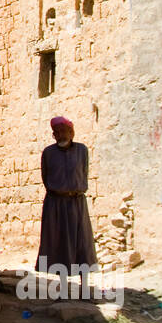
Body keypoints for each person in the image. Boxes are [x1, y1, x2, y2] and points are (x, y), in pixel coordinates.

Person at [36, 116, 98, 274]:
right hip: (55, 204)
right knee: (57, 246)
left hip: (76, 203)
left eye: (64, 132)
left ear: (72, 133)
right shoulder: (48, 153)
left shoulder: (81, 150)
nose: (61, 135)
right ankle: (61, 289)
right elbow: (46, 177)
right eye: (57, 133)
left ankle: (84, 288)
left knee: (82, 245)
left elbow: (83, 173)